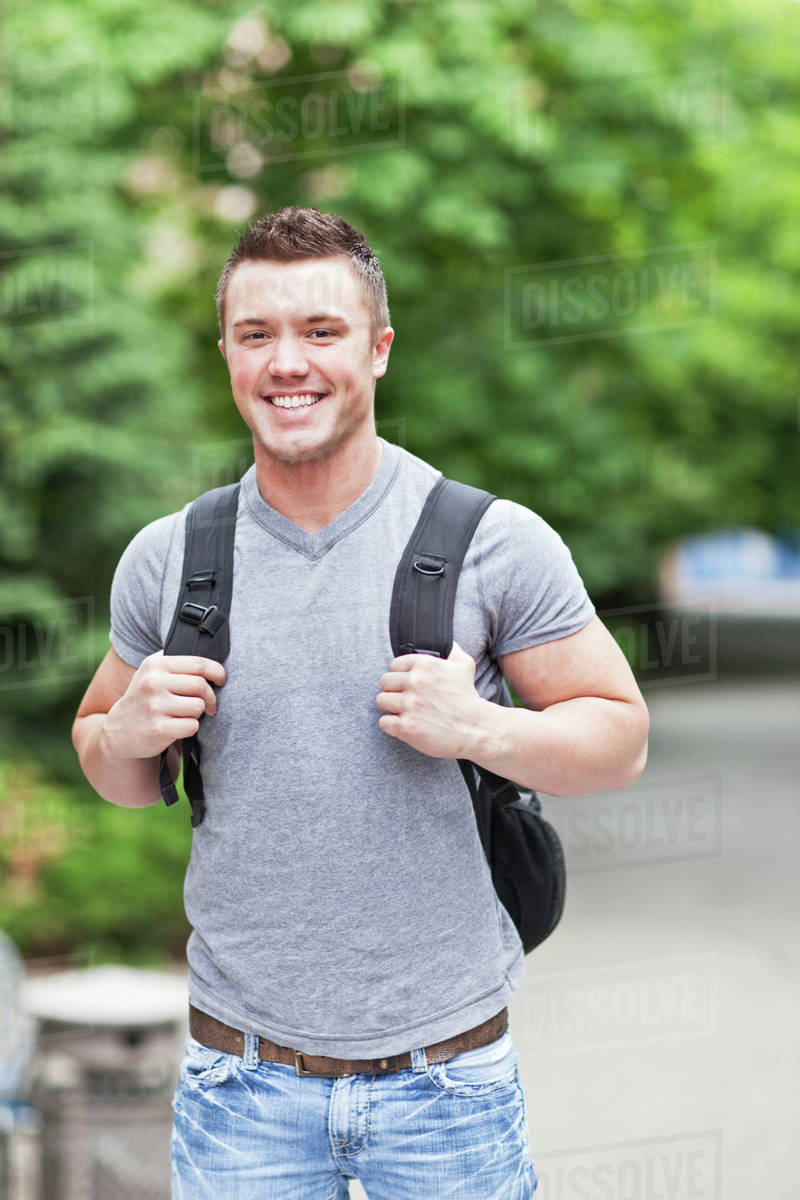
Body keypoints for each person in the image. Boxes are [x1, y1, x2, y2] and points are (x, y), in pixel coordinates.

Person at [71, 206, 649, 1199]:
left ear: (377, 350)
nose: (285, 361)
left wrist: (479, 726)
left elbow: (618, 739)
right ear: (226, 353)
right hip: (237, 1089)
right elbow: (115, 772)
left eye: (320, 332)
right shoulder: (172, 560)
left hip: (447, 1086)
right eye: (256, 334)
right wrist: (123, 733)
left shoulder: (491, 542)